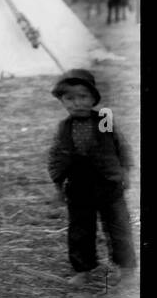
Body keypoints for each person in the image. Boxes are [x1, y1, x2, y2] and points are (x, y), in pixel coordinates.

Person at [47, 69, 136, 286]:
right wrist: (58, 182)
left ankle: (126, 270)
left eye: (83, 97)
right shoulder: (64, 128)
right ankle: (83, 270)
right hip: (78, 185)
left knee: (118, 227)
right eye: (70, 98)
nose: (77, 103)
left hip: (108, 182)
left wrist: (124, 171)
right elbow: (57, 156)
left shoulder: (104, 119)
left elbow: (118, 145)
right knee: (80, 229)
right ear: (62, 101)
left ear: (94, 98)